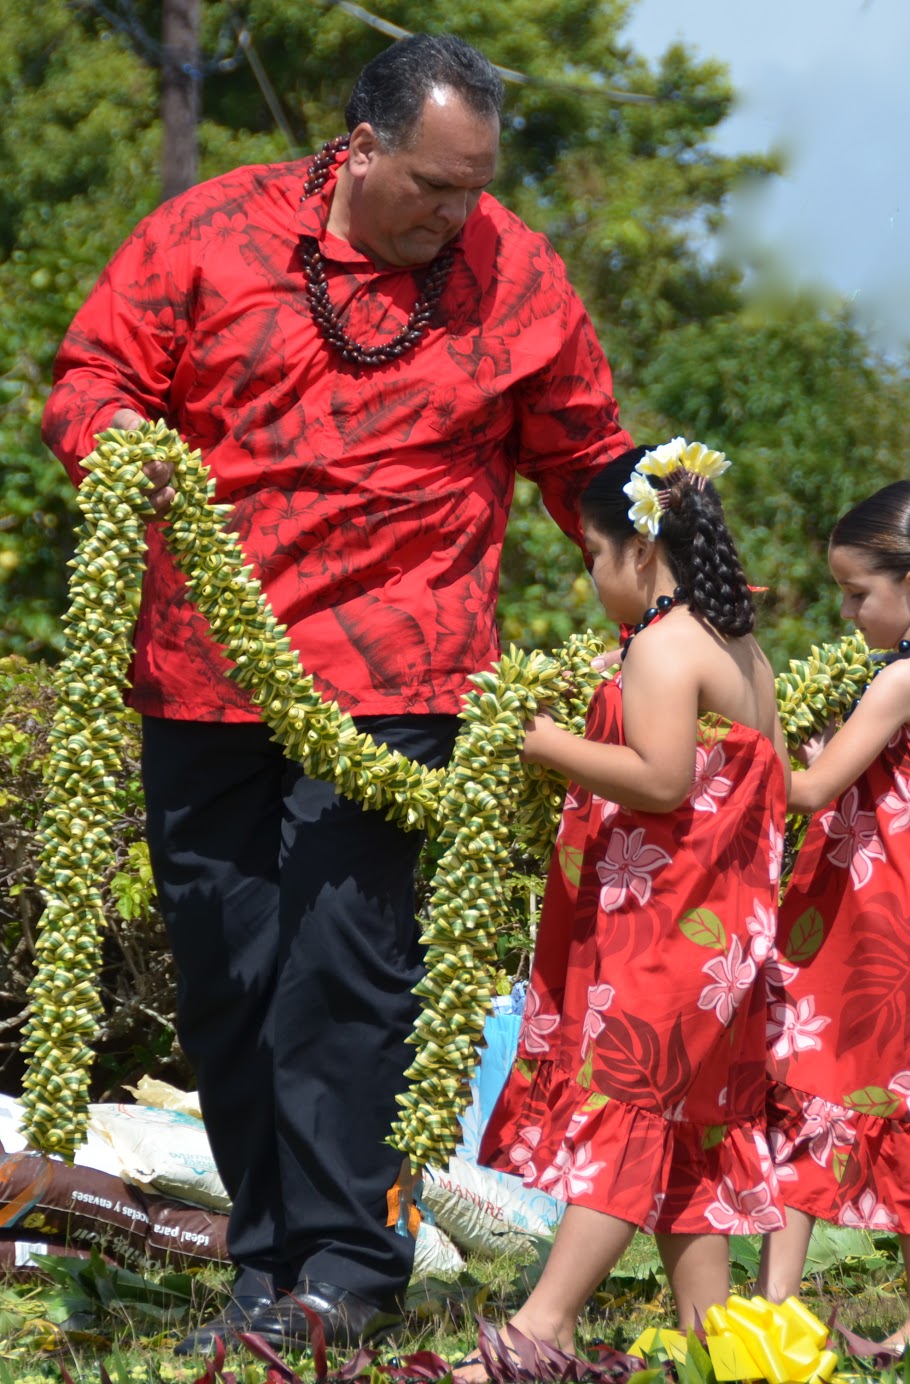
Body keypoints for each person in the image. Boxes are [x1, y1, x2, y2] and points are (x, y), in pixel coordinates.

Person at [41, 34, 631, 1352]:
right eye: (433, 183)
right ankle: (265, 1269)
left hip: (402, 677)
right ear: (359, 147)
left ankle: (349, 1277)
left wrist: (676, 594)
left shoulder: (517, 275)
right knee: (232, 975)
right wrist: (126, 452)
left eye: (475, 185)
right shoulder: (209, 232)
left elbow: (587, 456)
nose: (456, 212)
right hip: (208, 672)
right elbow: (90, 381)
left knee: (346, 977)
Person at [469, 443, 787, 1374]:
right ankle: (714, 1340)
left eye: (593, 558)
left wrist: (544, 742)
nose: (593, 579)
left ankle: (543, 1327)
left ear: (640, 552)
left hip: (669, 932)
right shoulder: (743, 644)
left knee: (629, 1109)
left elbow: (660, 779)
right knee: (687, 1131)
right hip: (721, 931)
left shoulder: (662, 645)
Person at [755, 481, 910, 1354]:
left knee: (871, 1095)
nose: (849, 610)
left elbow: (811, 789)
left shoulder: (906, 675)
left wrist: (742, 714)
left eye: (858, 593)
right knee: (815, 1080)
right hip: (890, 908)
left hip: (886, 920)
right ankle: (778, 1304)